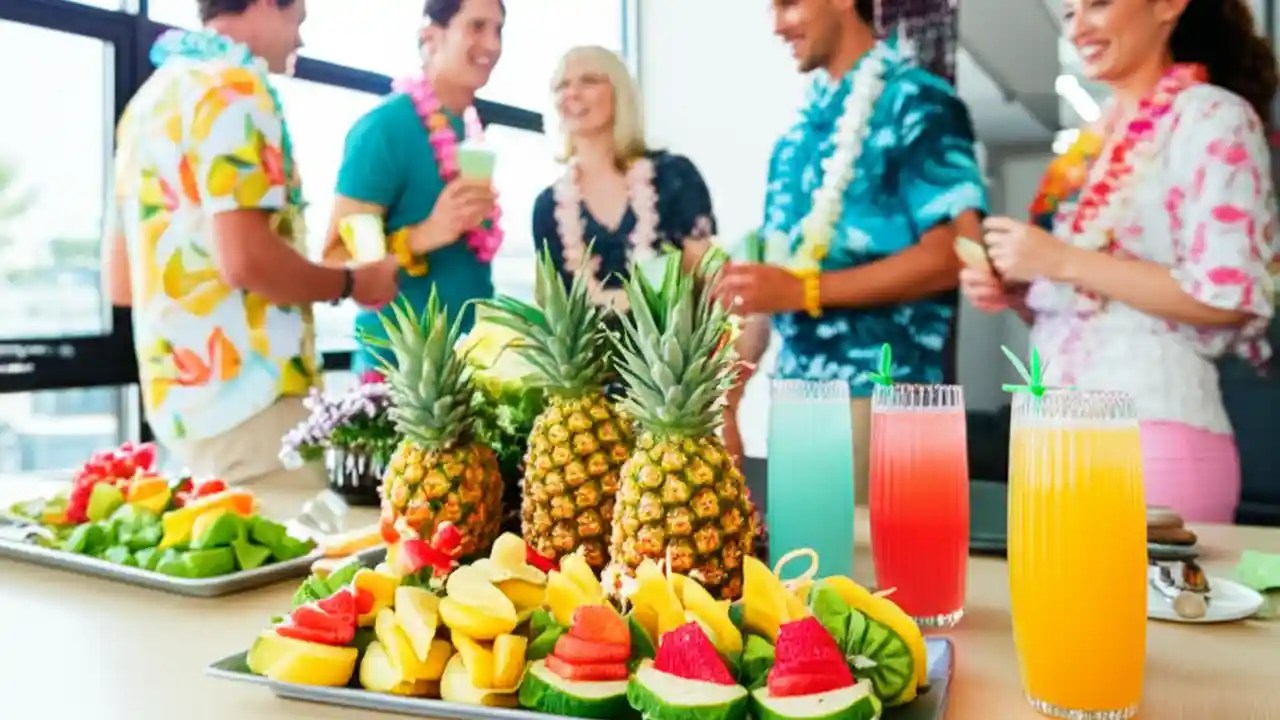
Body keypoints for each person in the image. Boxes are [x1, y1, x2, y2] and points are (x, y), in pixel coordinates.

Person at [961, 0, 1278, 523]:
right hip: (1048, 438)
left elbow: (1231, 296)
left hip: (1151, 435)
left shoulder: (1213, 116)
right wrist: (1024, 290)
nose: (1077, 27)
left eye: (1099, 3)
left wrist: (1061, 261)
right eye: (1070, 12)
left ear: (1168, 6)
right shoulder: (1092, 143)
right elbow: (1097, 306)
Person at [103, 0, 399, 485]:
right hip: (255, 408)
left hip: (181, 417)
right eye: (297, 19)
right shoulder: (235, 88)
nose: (300, 39)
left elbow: (121, 282)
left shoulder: (149, 102)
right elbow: (246, 261)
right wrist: (354, 282)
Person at [715, 0, 988, 499]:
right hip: (793, 402)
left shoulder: (918, 102)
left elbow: (957, 251)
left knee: (867, 553)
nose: (777, 26)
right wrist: (728, 397)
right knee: (797, 550)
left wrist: (807, 291)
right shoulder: (795, 140)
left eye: (789, 4)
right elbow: (776, 287)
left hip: (882, 401)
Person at [323, 0, 503, 374]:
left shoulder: (469, 131)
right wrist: (425, 234)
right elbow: (337, 261)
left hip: (471, 368)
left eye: (498, 30)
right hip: (399, 376)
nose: (492, 44)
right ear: (430, 37)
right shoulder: (384, 128)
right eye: (477, 27)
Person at [531, 45, 717, 313]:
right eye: (562, 85)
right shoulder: (548, 208)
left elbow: (709, 280)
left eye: (588, 80)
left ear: (619, 92)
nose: (572, 93)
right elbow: (553, 308)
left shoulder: (674, 176)